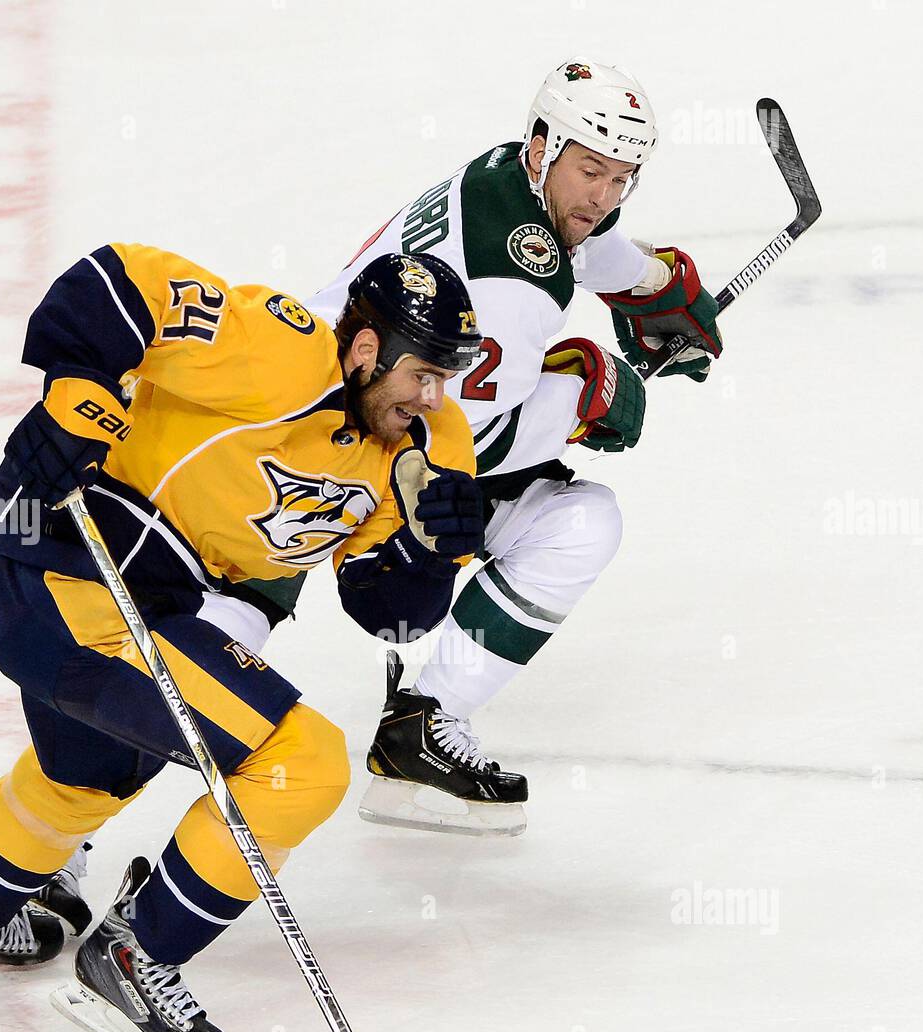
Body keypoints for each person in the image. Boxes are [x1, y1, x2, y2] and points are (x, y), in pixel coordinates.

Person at [0, 245, 484, 1032]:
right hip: (68, 574)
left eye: (447, 378)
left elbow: (387, 613)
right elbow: (115, 281)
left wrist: (429, 553)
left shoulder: (433, 443)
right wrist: (77, 392)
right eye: (422, 372)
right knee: (302, 762)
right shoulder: (275, 349)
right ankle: (135, 954)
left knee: (88, 776)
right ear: (364, 350)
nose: (432, 396)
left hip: (138, 607)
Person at [301, 57, 724, 835]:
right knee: (578, 522)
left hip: (334, 423)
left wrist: (655, 281)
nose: (603, 196)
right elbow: (479, 447)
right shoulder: (512, 279)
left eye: (622, 177)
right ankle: (420, 730)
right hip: (338, 470)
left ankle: (414, 741)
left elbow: (582, 242)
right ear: (543, 149)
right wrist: (586, 394)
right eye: (590, 170)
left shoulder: (502, 178)